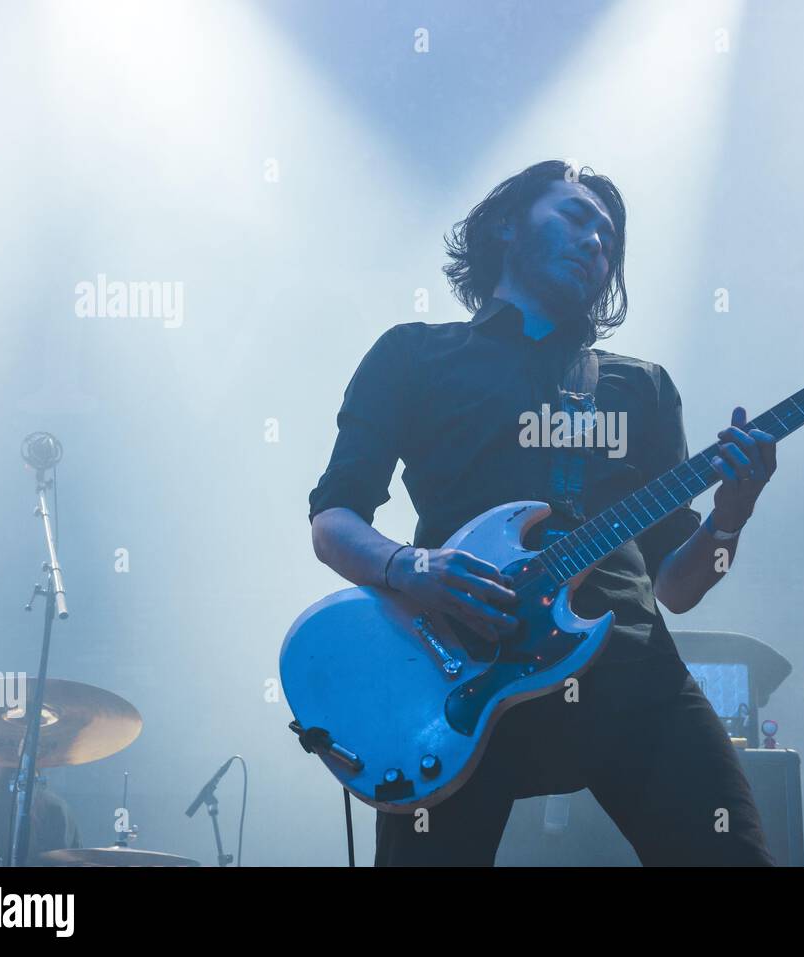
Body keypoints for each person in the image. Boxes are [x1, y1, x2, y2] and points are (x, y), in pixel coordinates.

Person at [309, 160, 778, 866]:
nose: (597, 242)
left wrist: (730, 517)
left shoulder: (641, 388)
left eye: (609, 236)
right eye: (576, 217)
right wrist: (410, 566)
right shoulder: (414, 356)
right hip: (457, 672)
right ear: (507, 225)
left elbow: (678, 586)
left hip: (630, 672)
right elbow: (333, 518)